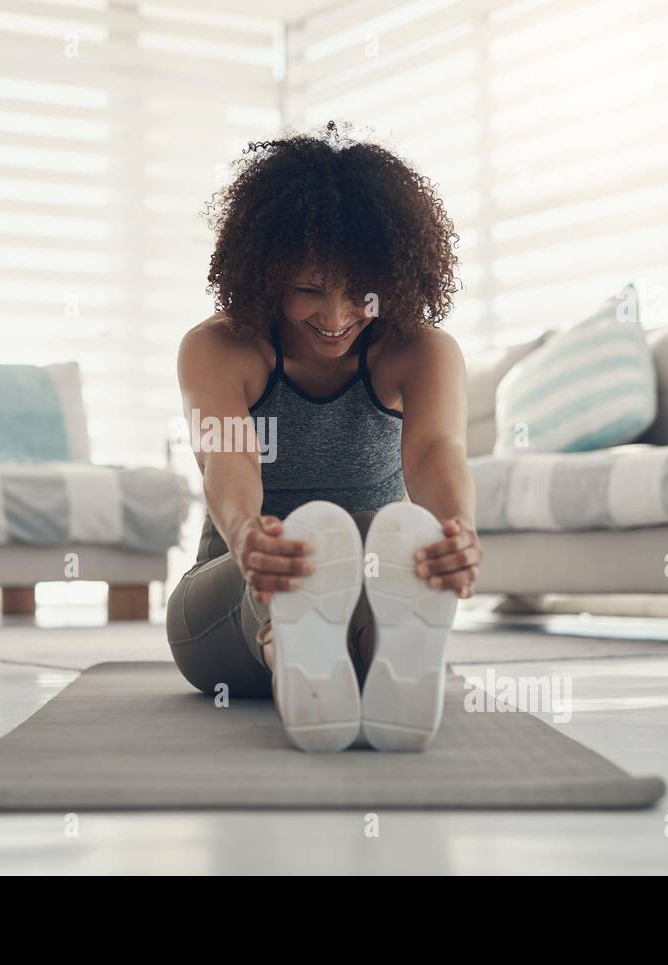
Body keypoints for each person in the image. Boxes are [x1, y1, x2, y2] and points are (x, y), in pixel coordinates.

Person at [166, 123, 482, 752]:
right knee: (296, 556)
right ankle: (288, 647)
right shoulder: (219, 348)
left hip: (369, 576)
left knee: (381, 543)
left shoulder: (421, 351)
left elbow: (434, 452)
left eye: (359, 293)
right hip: (226, 604)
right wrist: (249, 538)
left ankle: (371, 654)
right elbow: (228, 457)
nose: (335, 318)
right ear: (267, 276)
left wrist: (457, 531)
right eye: (308, 290)